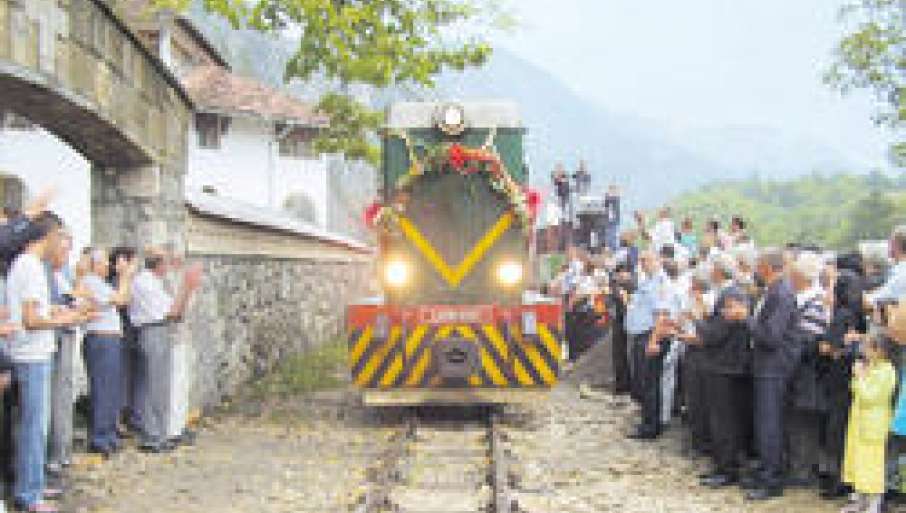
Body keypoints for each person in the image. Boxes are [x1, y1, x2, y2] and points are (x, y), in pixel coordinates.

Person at [6, 212, 87, 513]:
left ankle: (33, 485)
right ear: (48, 236)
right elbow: (30, 319)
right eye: (61, 237)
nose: (62, 245)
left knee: (33, 426)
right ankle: (29, 494)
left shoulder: (27, 265)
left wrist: (56, 312)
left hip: (33, 354)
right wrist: (63, 320)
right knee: (34, 428)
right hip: (32, 356)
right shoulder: (29, 266)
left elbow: (32, 311)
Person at [725, 248, 801, 501]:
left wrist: (746, 318)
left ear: (766, 267)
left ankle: (772, 479)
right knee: (764, 422)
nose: (755, 270)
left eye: (758, 265)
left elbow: (771, 336)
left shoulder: (782, 293)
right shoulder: (773, 291)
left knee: (770, 424)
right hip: (765, 366)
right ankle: (765, 470)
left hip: (775, 367)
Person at [129, 247, 202, 453]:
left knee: (159, 384)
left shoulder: (155, 282)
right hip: (153, 330)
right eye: (167, 262)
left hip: (160, 330)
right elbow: (172, 312)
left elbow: (176, 312)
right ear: (159, 264)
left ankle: (160, 432)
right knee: (155, 385)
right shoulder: (145, 283)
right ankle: (153, 435)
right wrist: (187, 287)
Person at [82, 248, 138, 456]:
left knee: (112, 390)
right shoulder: (91, 282)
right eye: (105, 261)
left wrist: (125, 279)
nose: (109, 265)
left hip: (111, 339)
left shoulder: (102, 283)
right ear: (95, 264)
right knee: (103, 389)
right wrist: (125, 276)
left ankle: (109, 434)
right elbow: (120, 299)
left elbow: (126, 299)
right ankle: (100, 437)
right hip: (101, 339)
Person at [785, 253, 831, 489]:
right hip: (798, 372)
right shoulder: (802, 299)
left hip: (808, 374)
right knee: (795, 422)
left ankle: (803, 472)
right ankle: (797, 468)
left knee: (804, 424)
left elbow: (805, 343)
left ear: (801, 275)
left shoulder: (815, 303)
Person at [840, 335, 896, 513]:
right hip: (859, 422)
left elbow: (871, 397)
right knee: (858, 462)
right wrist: (860, 377)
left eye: (868, 347)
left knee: (873, 465)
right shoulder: (871, 366)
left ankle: (874, 504)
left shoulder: (887, 371)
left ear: (879, 351)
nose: (864, 351)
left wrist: (860, 377)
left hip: (874, 424)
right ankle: (860, 501)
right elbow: (855, 388)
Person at [625, 250, 669, 439]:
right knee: (643, 382)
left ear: (658, 260)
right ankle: (647, 420)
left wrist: (653, 341)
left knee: (649, 383)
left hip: (650, 336)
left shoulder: (660, 283)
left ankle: (650, 427)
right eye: (641, 260)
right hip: (641, 336)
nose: (643, 264)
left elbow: (661, 315)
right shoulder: (647, 281)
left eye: (647, 260)